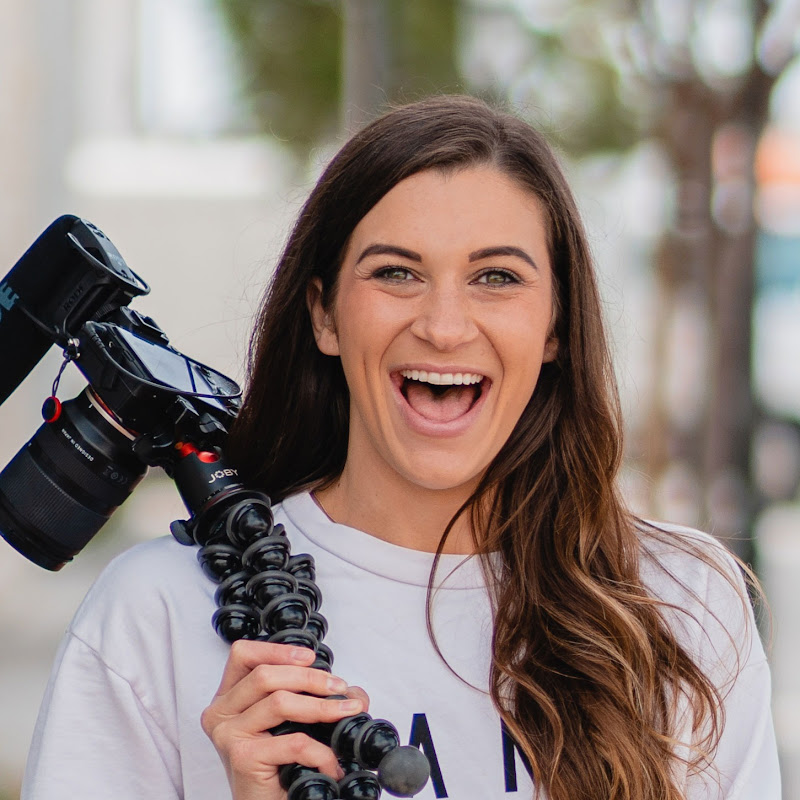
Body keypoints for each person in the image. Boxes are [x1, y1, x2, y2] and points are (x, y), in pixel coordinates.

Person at [21, 95, 779, 800]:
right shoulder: (155, 614)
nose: (444, 327)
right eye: (396, 273)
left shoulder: (681, 602)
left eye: (496, 277)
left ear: (555, 325)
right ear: (325, 315)